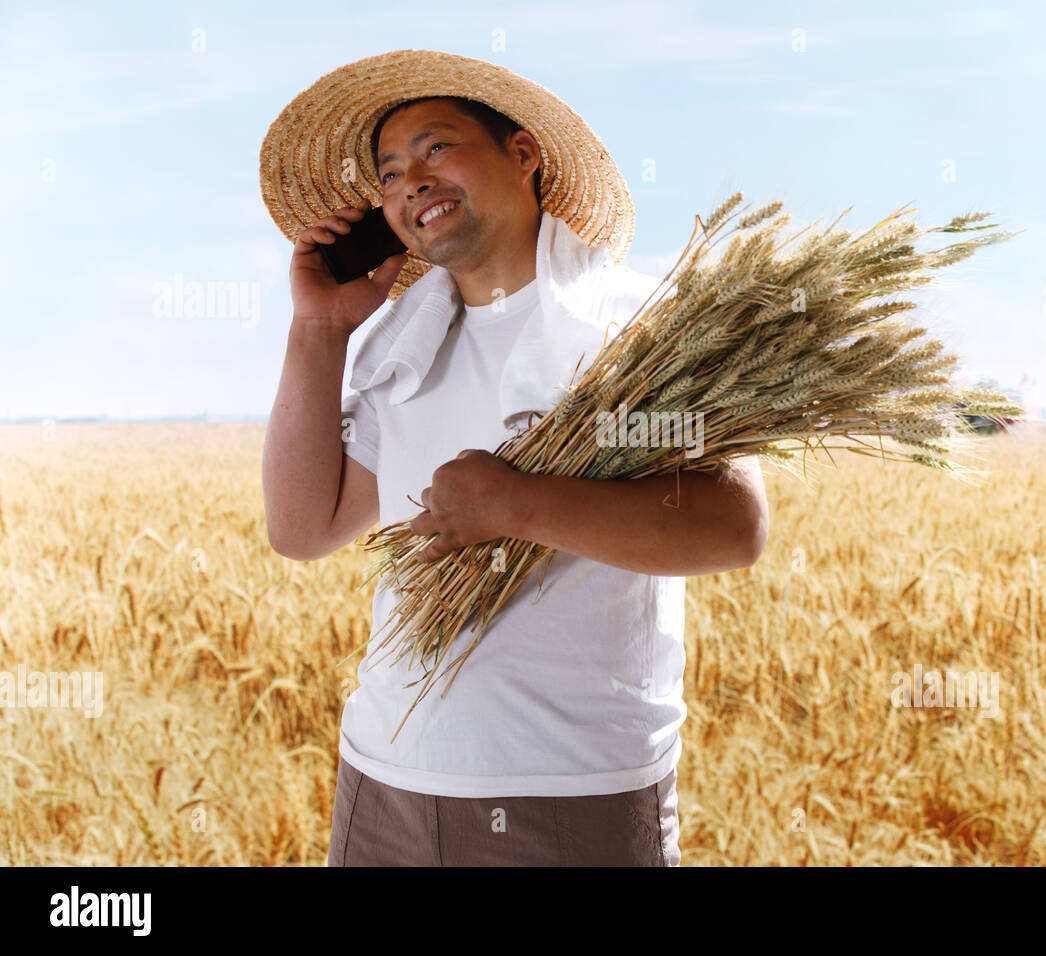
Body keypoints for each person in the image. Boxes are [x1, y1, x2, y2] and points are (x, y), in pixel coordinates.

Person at [260, 50, 769, 866]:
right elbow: (301, 526)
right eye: (389, 173)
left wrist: (516, 504)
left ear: (525, 154)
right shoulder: (401, 346)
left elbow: (734, 525)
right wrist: (317, 331)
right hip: (382, 781)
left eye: (436, 148)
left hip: (570, 795)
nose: (410, 183)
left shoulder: (633, 328)